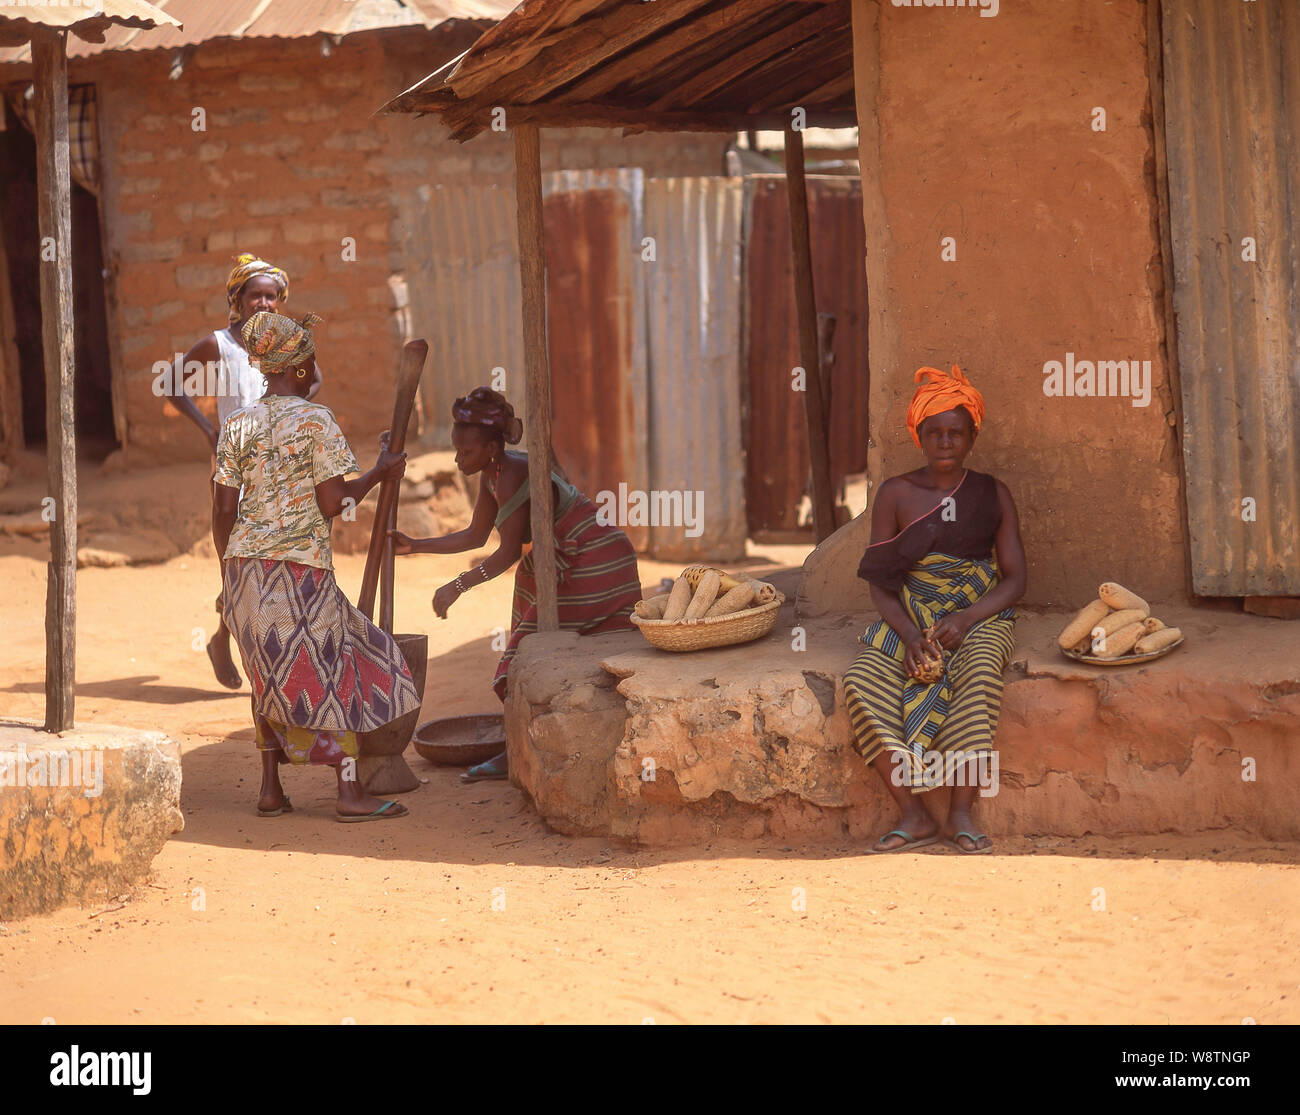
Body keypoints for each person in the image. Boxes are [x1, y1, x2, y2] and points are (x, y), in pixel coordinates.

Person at [212, 310, 419, 821]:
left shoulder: (236, 426)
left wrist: (229, 576)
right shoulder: (316, 420)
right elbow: (333, 502)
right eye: (312, 362)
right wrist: (379, 472)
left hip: (244, 571)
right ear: (299, 369)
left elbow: (222, 511)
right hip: (300, 573)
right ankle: (349, 794)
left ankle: (270, 790)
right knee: (333, 673)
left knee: (267, 678)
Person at [390, 387, 643, 782]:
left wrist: (457, 586)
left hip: (594, 557)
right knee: (533, 640)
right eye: (456, 450)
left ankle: (516, 750)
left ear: (492, 447)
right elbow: (475, 536)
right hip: (557, 558)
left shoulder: (510, 474)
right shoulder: (491, 474)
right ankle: (518, 744)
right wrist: (415, 546)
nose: (458, 460)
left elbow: (507, 552)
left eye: (466, 452)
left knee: (524, 649)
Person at [843, 365, 1026, 854]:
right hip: (910, 612)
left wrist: (966, 620)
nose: (946, 441)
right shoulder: (897, 494)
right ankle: (914, 814)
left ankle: (961, 811)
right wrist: (908, 637)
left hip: (979, 613)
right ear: (919, 436)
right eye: (935, 432)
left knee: (981, 673)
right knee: (861, 682)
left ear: (971, 437)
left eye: (956, 433)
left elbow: (1015, 579)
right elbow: (880, 584)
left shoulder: (992, 494)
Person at [173, 254, 323, 691]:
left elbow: (314, 380)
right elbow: (171, 383)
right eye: (255, 295)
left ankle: (227, 641)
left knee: (270, 562)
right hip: (233, 470)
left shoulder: (287, 342)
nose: (264, 303)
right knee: (238, 565)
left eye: (271, 296)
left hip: (277, 468)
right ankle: (243, 649)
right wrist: (208, 430)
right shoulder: (219, 344)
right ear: (237, 299)